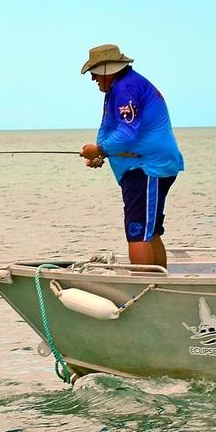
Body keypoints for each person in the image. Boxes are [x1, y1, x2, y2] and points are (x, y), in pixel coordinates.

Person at [78, 44, 184, 269]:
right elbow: (110, 127)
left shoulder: (125, 88)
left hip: (146, 168)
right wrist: (102, 153)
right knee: (150, 230)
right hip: (147, 166)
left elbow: (126, 133)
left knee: (137, 232)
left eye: (95, 73)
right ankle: (157, 283)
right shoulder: (119, 88)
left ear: (108, 69)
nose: (93, 79)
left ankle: (145, 288)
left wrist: (100, 150)